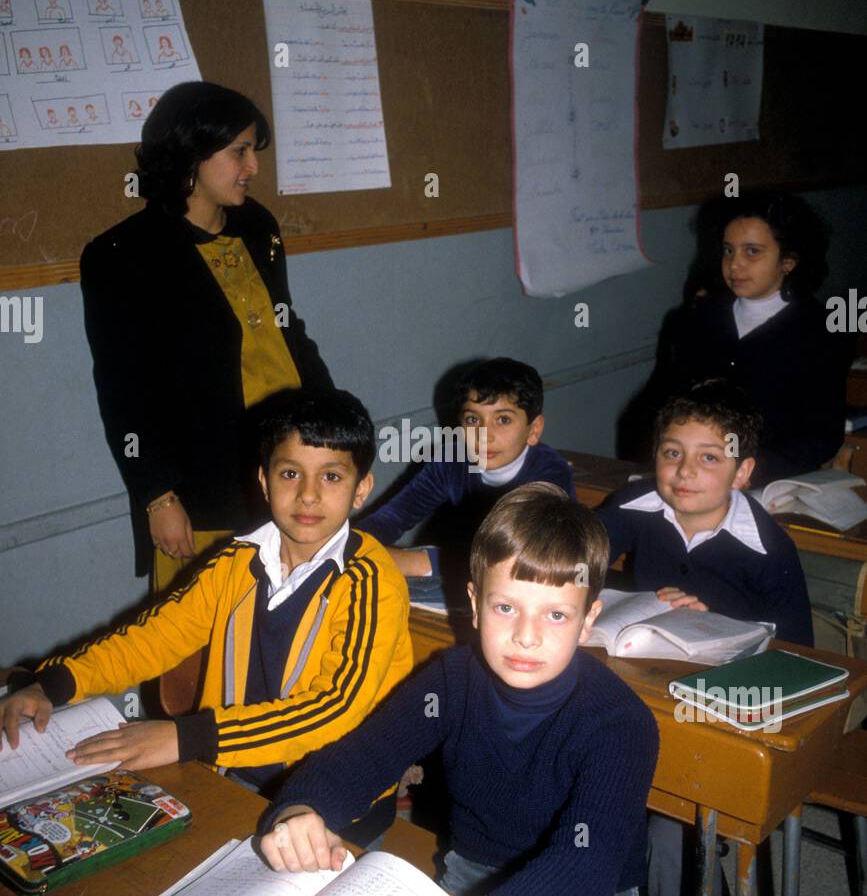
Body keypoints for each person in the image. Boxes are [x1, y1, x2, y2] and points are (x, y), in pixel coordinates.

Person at [259, 483, 658, 896]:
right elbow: (366, 755)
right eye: (506, 608)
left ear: (588, 619)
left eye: (555, 614)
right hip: (472, 870)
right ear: (473, 603)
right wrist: (305, 806)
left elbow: (585, 865)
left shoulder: (620, 722)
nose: (527, 636)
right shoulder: (451, 679)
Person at [0, 392, 413, 839]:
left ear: (362, 489)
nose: (308, 494)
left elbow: (334, 710)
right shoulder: (236, 562)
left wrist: (188, 738)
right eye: (290, 473)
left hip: (336, 805)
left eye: (331, 476)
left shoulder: (371, 583)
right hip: (238, 778)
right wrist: (54, 684)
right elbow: (156, 637)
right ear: (264, 479)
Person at [79, 80, 333, 589]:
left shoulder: (258, 226)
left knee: (291, 620)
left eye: (253, 151)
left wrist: (334, 428)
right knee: (206, 636)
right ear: (191, 155)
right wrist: (158, 496)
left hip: (290, 461)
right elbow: (123, 390)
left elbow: (287, 328)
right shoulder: (123, 255)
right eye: (239, 151)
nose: (253, 168)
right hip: (203, 483)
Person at [636, 192, 854, 485]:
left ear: (788, 261)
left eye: (752, 252)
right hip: (688, 474)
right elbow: (658, 406)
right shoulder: (693, 321)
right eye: (728, 250)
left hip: (770, 481)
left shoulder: (820, 331)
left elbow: (820, 434)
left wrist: (747, 474)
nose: (735, 264)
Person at [598, 381, 813, 647]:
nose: (685, 470)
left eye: (709, 458)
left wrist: (708, 626)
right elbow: (578, 562)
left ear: (741, 473)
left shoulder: (770, 550)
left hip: (728, 677)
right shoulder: (632, 505)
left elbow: (797, 649)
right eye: (673, 453)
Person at [358, 358, 575, 586]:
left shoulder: (550, 474)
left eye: (503, 420)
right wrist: (351, 543)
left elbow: (520, 557)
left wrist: (420, 562)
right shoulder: (451, 461)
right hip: (466, 574)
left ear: (534, 429)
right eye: (473, 419)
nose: (484, 435)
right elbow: (393, 517)